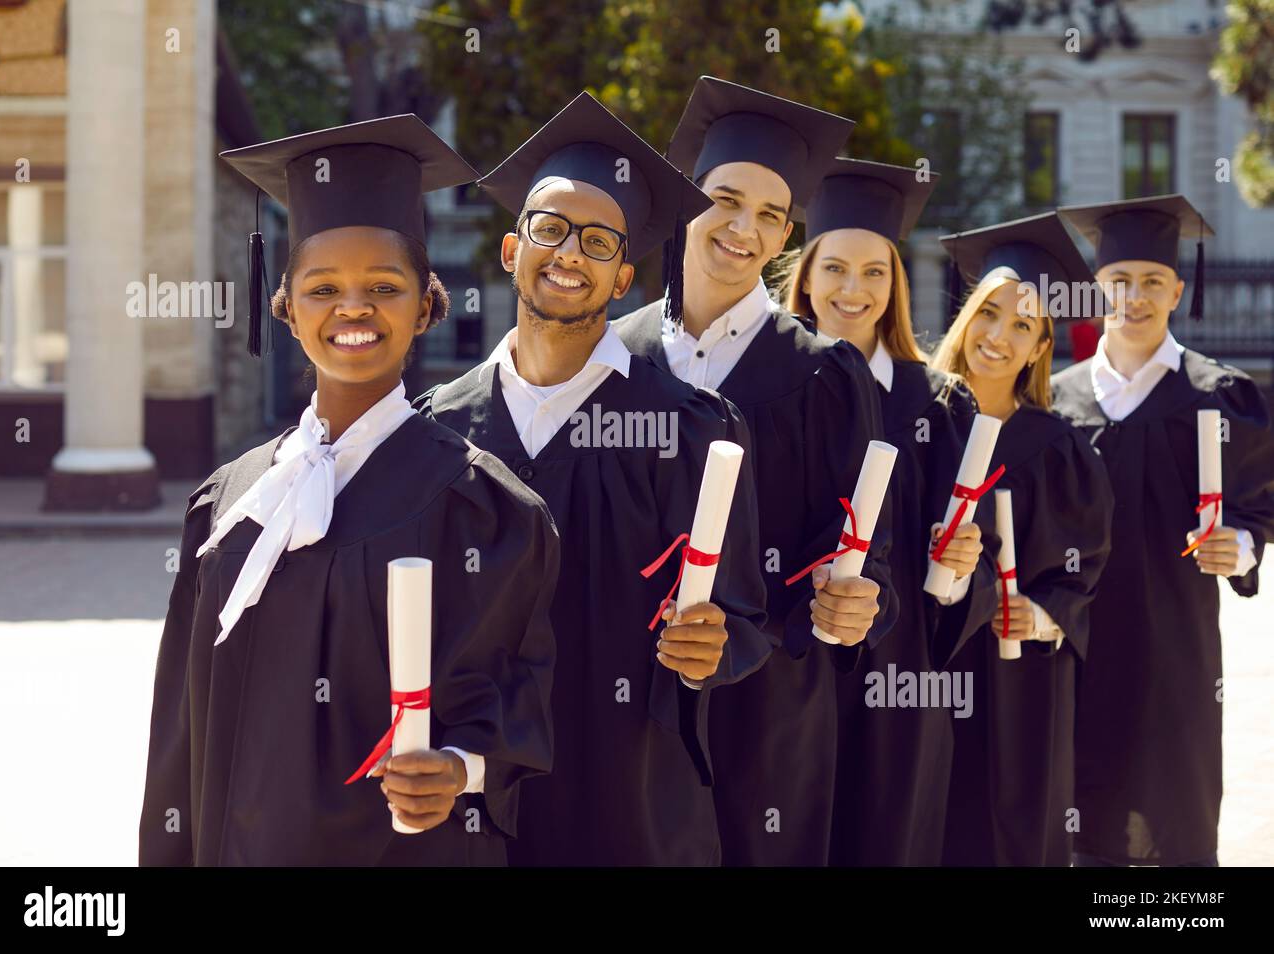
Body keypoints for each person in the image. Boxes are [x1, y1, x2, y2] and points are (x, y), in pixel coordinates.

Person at [138, 116, 559, 866]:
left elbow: (518, 700)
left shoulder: (481, 507)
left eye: (384, 287)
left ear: (426, 307)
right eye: (324, 287)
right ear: (287, 307)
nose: (354, 308)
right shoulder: (228, 503)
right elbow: (180, 732)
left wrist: (460, 769)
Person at [416, 92, 772, 865]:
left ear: (623, 280)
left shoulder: (691, 427)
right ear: (512, 252)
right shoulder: (438, 430)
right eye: (550, 229)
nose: (570, 253)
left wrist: (715, 645)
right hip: (477, 794)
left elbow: (743, 618)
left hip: (634, 794)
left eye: (599, 241)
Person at [614, 77, 896, 865]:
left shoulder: (824, 374)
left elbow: (861, 553)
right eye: (725, 199)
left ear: (784, 239)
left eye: (771, 215)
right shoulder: (612, 358)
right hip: (630, 709)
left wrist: (856, 605)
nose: (745, 227)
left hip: (769, 706)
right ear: (684, 201)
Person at [778, 159, 995, 865]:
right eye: (836, 268)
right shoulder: (767, 389)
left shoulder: (935, 401)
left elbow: (964, 574)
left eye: (876, 272)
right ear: (805, 276)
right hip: (785, 678)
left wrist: (959, 569)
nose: (854, 289)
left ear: (896, 285)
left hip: (901, 688)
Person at [1051, 194, 1274, 867]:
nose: (1136, 296)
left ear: (1177, 290)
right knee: (1076, 816)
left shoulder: (1219, 394)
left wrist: (1239, 545)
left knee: (1176, 815)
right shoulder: (1056, 401)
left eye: (1153, 282)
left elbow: (1255, 511)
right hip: (1072, 651)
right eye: (1120, 281)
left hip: (1174, 651)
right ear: (1097, 290)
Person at [929, 212, 1114, 865]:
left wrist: (1035, 614)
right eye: (990, 312)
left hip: (1019, 691)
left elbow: (1080, 575)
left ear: (1041, 348)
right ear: (966, 314)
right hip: (918, 681)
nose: (998, 336)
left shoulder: (1055, 449)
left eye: (1024, 326)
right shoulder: (914, 422)